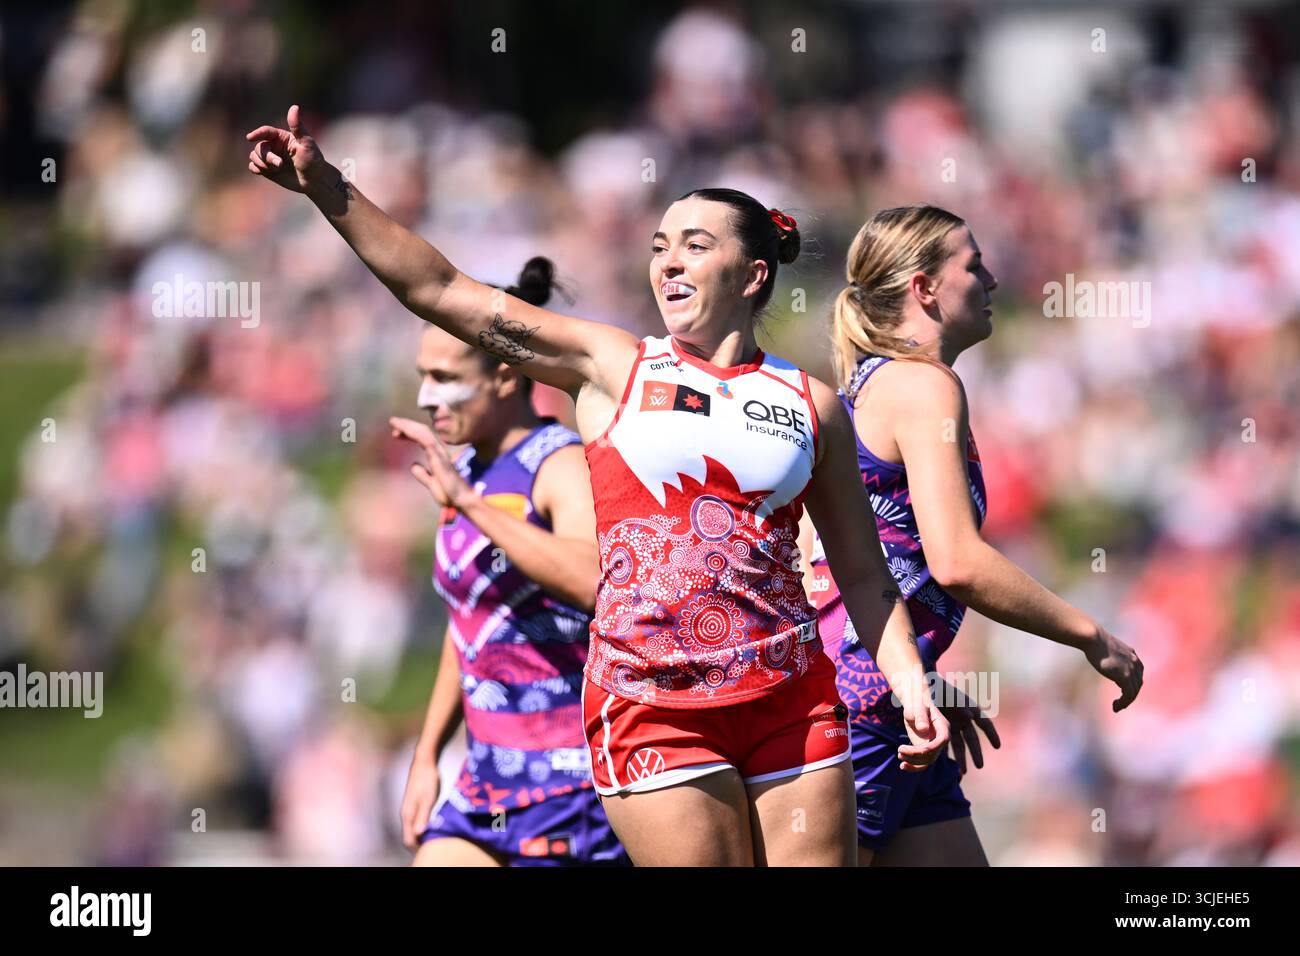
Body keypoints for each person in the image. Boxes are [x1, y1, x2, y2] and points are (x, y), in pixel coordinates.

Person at [246, 106, 948, 866]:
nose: (668, 263)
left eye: (695, 246)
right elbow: (440, 288)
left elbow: (863, 572)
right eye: (659, 248)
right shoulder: (613, 365)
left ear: (752, 276)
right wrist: (327, 189)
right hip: (654, 708)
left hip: (792, 699)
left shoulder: (810, 404)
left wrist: (909, 683)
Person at [802, 203, 1144, 866]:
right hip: (866, 703)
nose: (990, 281)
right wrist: (1090, 636)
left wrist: (920, 679)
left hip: (898, 697)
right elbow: (956, 560)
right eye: (974, 265)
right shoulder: (925, 387)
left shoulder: (877, 385)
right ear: (925, 288)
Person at [393, 257, 628, 867]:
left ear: (504, 375)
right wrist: (426, 756)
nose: (425, 398)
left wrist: (469, 506)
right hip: (485, 781)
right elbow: (469, 625)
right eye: (422, 376)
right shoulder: (465, 469)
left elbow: (590, 583)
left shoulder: (559, 463)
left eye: (444, 377)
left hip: (572, 786)